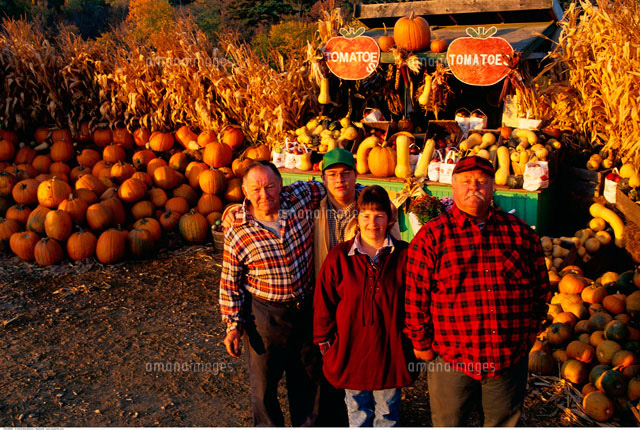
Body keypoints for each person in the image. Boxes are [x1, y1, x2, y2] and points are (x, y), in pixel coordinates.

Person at [404, 155, 550, 427]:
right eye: (466, 181)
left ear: (493, 187)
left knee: (502, 423)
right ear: (453, 187)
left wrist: (531, 330)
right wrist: (421, 343)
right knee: (450, 422)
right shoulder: (432, 236)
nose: (474, 187)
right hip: (451, 359)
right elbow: (416, 296)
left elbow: (540, 287)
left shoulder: (519, 234)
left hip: (506, 358)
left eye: (482, 181)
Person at [219, 160, 325, 426]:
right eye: (255, 190)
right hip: (265, 314)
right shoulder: (237, 229)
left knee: (308, 379)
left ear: (281, 185)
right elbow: (230, 281)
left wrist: (374, 200)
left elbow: (335, 185)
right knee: (264, 386)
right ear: (245, 192)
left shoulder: (299, 197)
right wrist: (233, 325)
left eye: (270, 186)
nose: (263, 195)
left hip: (305, 308)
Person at [314, 185, 415, 427]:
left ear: (390, 218)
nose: (373, 223)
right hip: (351, 349)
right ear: (357, 219)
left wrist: (411, 340)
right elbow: (324, 302)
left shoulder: (403, 256)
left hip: (389, 349)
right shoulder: (339, 257)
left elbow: (415, 301)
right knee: (357, 412)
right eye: (366, 216)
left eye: (379, 215)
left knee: (387, 413)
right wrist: (324, 342)